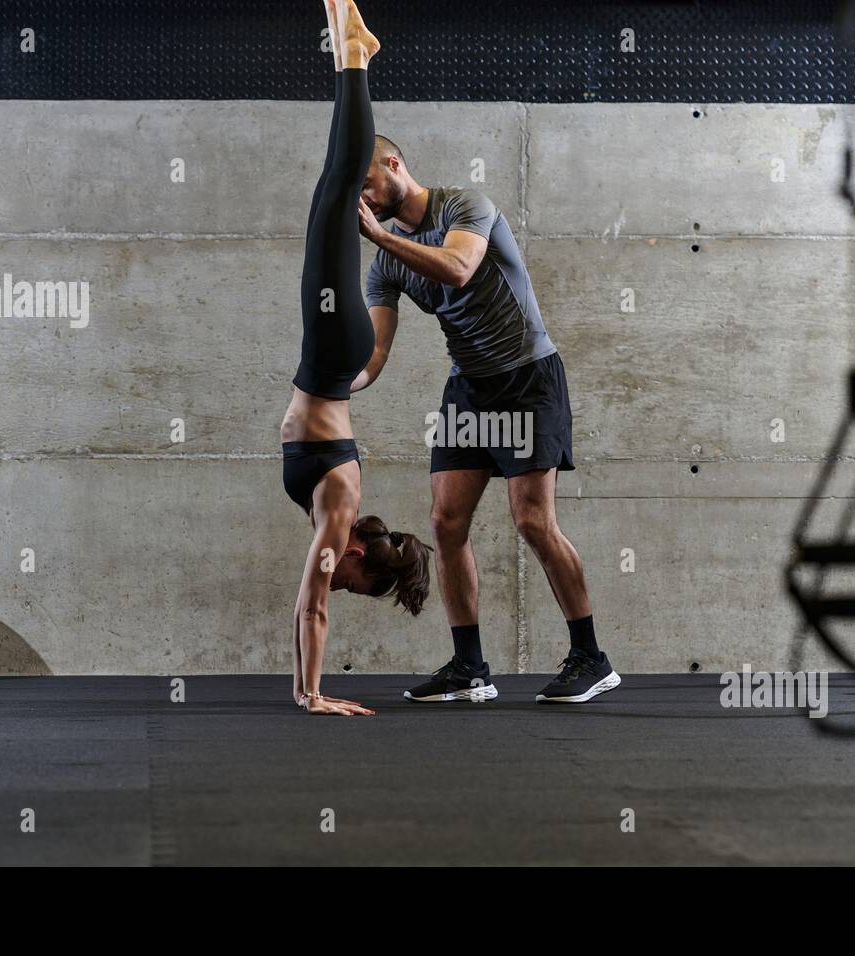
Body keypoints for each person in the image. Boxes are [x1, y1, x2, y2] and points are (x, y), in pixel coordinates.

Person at [352, 134, 621, 704]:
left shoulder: (466, 206)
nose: (366, 200)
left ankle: (591, 658)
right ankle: (469, 667)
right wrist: (331, 388)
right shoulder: (386, 265)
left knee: (532, 522)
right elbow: (373, 356)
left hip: (528, 377)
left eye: (368, 185)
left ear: (395, 166)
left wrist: (380, 237)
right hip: (469, 389)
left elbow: (457, 267)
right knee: (446, 524)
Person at [282, 0, 430, 717]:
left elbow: (316, 596)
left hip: (341, 359)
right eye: (360, 587)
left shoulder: (335, 511)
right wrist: (311, 695)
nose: (345, 586)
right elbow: (313, 605)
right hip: (337, 347)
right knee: (339, 189)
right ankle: (353, 52)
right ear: (364, 560)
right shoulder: (340, 512)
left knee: (330, 193)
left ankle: (355, 50)